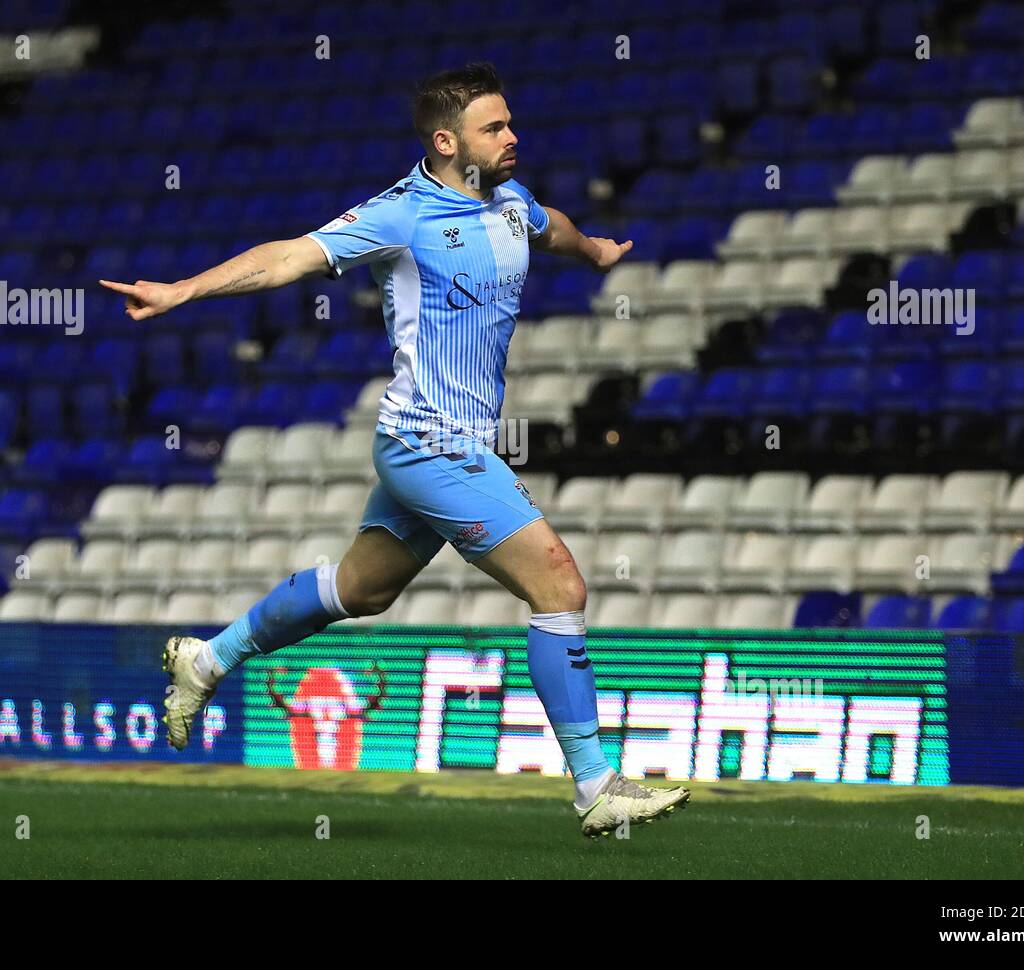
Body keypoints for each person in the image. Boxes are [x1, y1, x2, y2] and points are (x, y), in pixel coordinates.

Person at [99, 62, 688, 837]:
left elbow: (551, 226)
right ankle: (594, 785)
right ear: (447, 142)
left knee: (359, 590)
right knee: (560, 585)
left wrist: (596, 251)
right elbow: (286, 257)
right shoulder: (401, 214)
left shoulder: (509, 202)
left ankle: (204, 661)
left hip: (454, 445)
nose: (513, 138)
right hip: (427, 443)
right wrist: (183, 291)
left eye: (510, 123)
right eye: (494, 128)